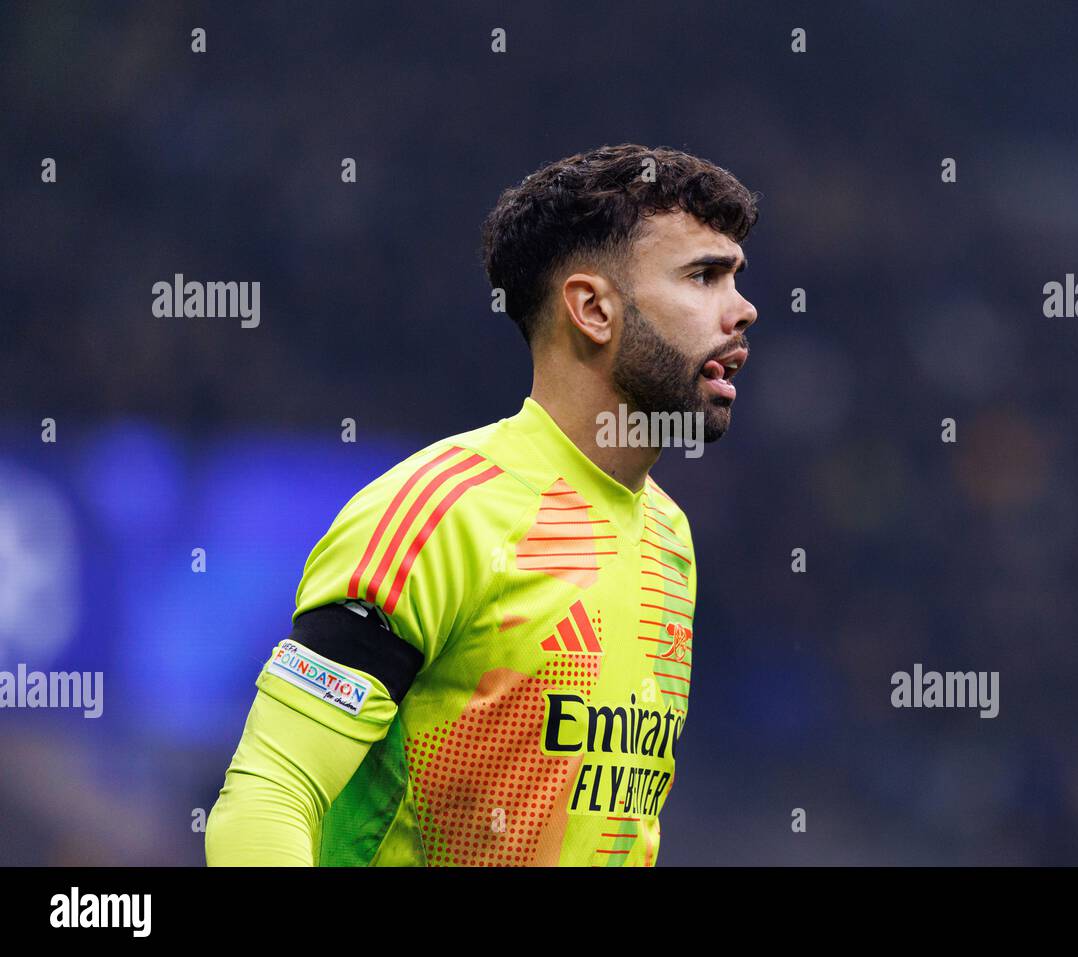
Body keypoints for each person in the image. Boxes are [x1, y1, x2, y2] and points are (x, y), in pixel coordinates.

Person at [204, 143, 760, 866]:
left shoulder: (669, 536)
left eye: (736, 277)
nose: (743, 309)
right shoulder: (440, 512)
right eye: (704, 276)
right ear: (593, 309)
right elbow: (268, 797)